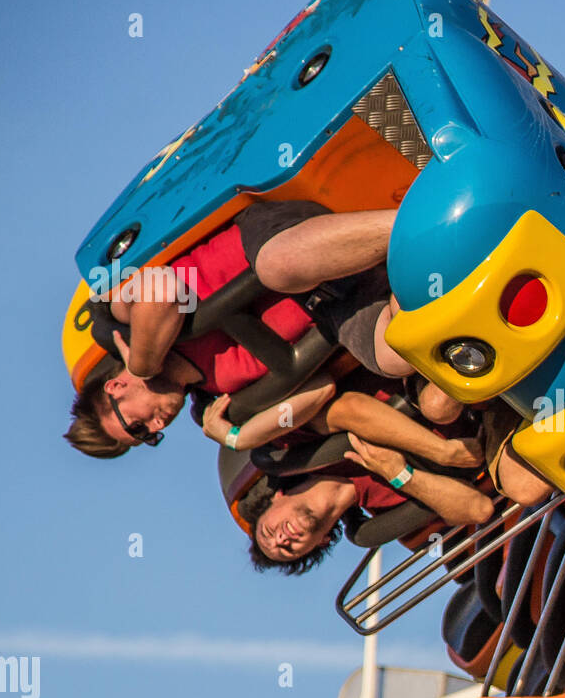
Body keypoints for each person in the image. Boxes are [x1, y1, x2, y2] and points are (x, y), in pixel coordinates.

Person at [63, 199, 461, 457]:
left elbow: (163, 292)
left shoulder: (119, 323)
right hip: (335, 304)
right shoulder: (214, 403)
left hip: (274, 238)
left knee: (278, 266)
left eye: (138, 426)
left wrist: (146, 364)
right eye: (149, 437)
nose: (155, 427)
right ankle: (462, 271)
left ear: (115, 387)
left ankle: (436, 223)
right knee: (392, 358)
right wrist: (240, 438)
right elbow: (318, 389)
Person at [241, 433, 494, 575]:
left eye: (269, 532)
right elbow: (479, 508)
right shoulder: (390, 518)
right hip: (486, 443)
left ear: (276, 498)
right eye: (287, 550)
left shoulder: (304, 445)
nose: (282, 539)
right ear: (320, 543)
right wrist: (400, 474)